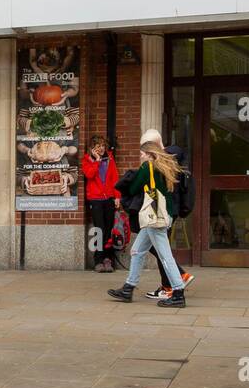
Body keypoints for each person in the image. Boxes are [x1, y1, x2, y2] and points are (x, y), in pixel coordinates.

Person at [109, 138, 186, 308]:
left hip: (154, 218)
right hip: (161, 215)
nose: (141, 157)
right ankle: (128, 288)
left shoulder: (148, 166)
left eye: (142, 154)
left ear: (150, 154)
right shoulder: (164, 167)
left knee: (165, 256)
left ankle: (178, 292)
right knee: (137, 251)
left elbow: (133, 188)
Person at [136, 130, 194, 300]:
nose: (143, 154)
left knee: (161, 249)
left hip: (163, 211)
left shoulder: (165, 159)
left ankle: (171, 285)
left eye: (146, 150)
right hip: (165, 209)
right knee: (156, 247)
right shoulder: (170, 157)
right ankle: (173, 281)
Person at [82, 134, 120, 272]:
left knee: (109, 230)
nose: (101, 149)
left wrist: (117, 197)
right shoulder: (86, 160)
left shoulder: (110, 159)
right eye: (98, 146)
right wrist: (97, 161)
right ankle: (98, 260)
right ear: (92, 148)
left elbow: (115, 178)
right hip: (95, 200)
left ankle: (107, 260)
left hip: (109, 199)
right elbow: (89, 175)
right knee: (99, 230)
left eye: (103, 146)